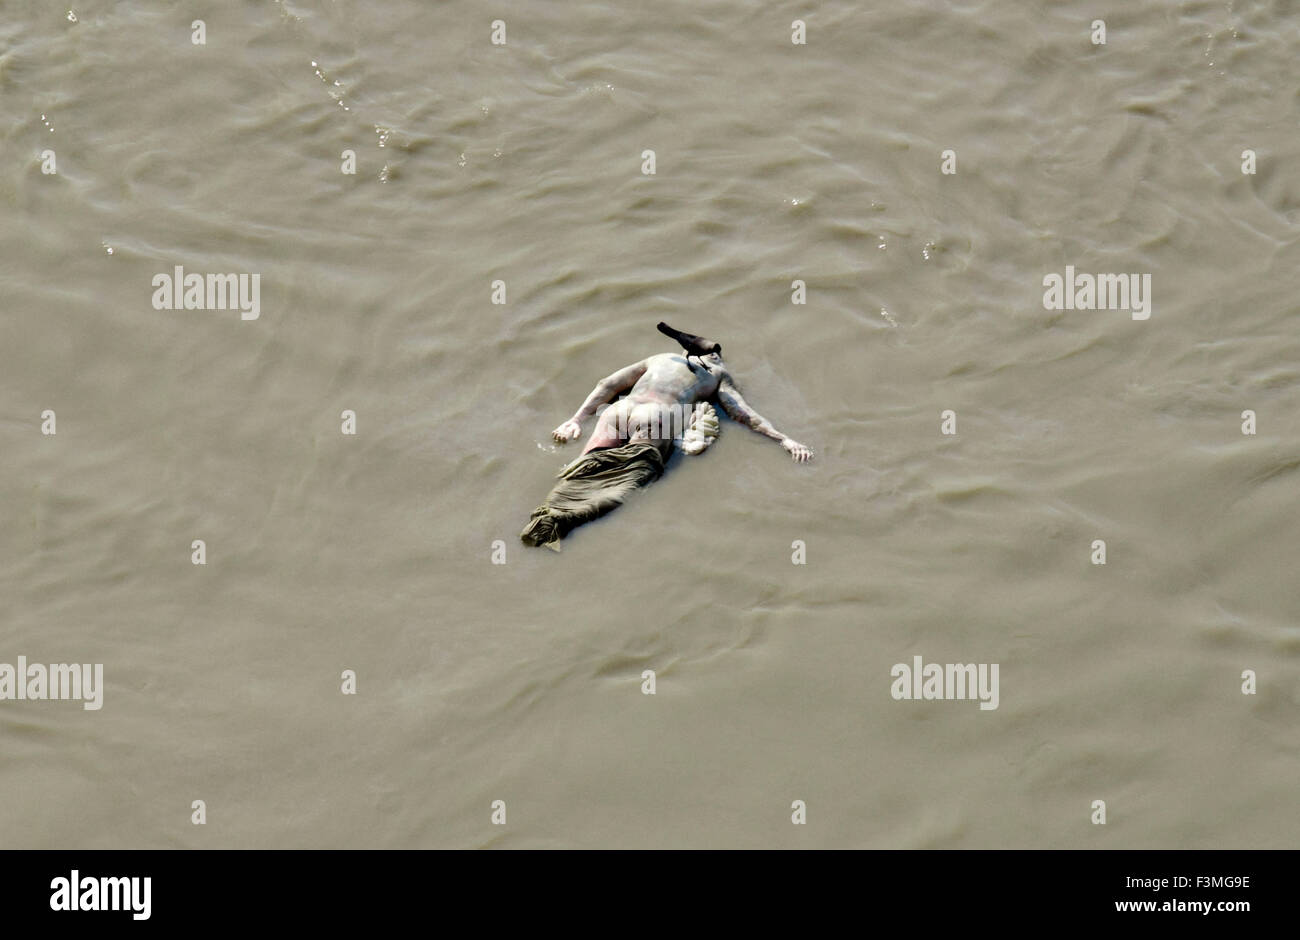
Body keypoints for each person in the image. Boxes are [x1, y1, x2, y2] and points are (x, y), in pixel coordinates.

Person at [520, 342, 812, 549]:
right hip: (658, 417)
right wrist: (783, 439)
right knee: (629, 479)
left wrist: (575, 420)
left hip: (618, 412)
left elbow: (607, 384)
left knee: (582, 469)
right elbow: (742, 414)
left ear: (685, 351)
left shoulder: (660, 358)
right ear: (716, 358)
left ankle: (546, 513)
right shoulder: (717, 374)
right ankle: (559, 525)